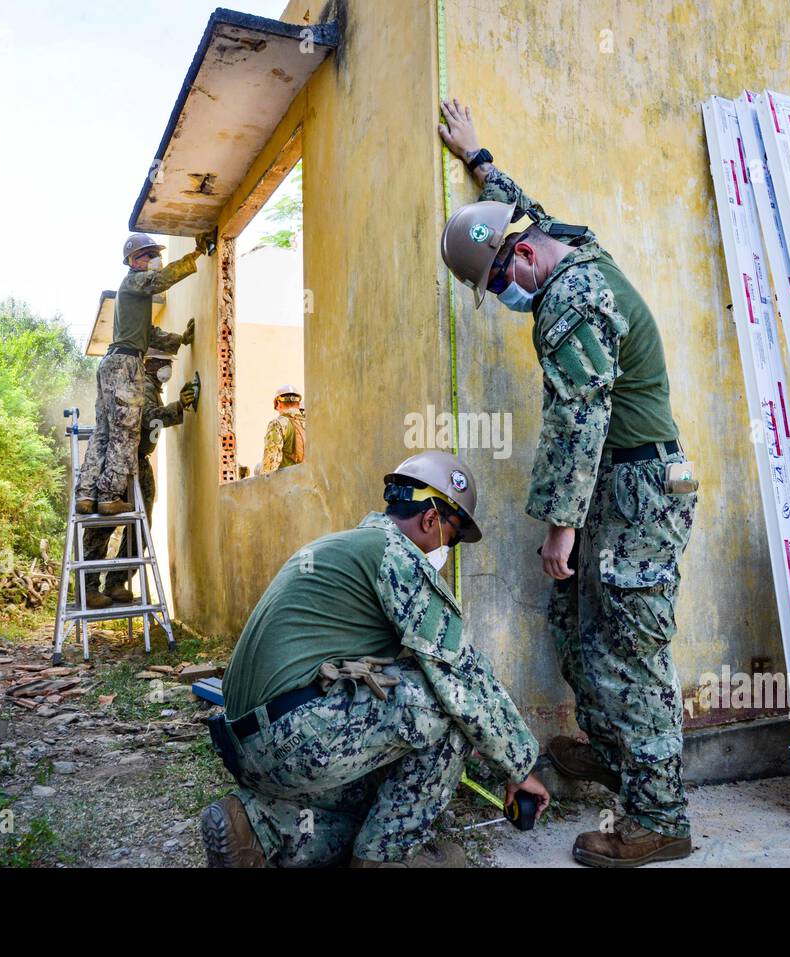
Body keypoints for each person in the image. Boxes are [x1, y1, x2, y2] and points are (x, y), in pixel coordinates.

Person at [437, 98, 698, 867]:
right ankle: (617, 754)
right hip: (617, 488)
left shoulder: (569, 304)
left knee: (630, 652)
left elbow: (579, 420)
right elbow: (521, 209)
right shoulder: (562, 247)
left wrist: (561, 527)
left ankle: (659, 817)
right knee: (578, 633)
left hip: (638, 488)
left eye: (499, 284)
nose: (507, 301)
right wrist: (479, 158)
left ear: (519, 260)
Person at [200, 451, 549, 868]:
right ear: (431, 520)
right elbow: (462, 678)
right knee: (450, 708)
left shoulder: (345, 547)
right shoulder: (394, 556)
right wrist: (519, 767)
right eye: (453, 538)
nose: (449, 551)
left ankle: (258, 829)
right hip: (293, 739)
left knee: (375, 803)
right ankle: (382, 859)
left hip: (249, 747)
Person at [75, 231, 207, 515]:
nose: (154, 259)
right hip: (125, 364)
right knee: (125, 431)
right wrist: (194, 256)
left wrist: (180, 339)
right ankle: (109, 495)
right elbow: (160, 280)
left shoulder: (132, 293)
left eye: (155, 254)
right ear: (133, 260)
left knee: (105, 431)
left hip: (112, 362)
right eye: (148, 255)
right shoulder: (135, 281)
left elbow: (147, 333)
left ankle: (86, 494)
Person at [81, 349, 201, 609]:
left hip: (138, 464)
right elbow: (148, 419)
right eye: (163, 363)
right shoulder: (143, 385)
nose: (166, 367)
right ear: (149, 363)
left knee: (140, 527)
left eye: (168, 363)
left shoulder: (151, 386)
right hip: (122, 462)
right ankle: (88, 588)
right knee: (103, 526)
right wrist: (177, 407)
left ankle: (115, 581)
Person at [260, 384, 306, 473]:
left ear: (278, 404)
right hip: (306, 481)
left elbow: (270, 463)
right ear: (298, 404)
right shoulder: (309, 424)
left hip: (286, 483)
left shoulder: (278, 424)